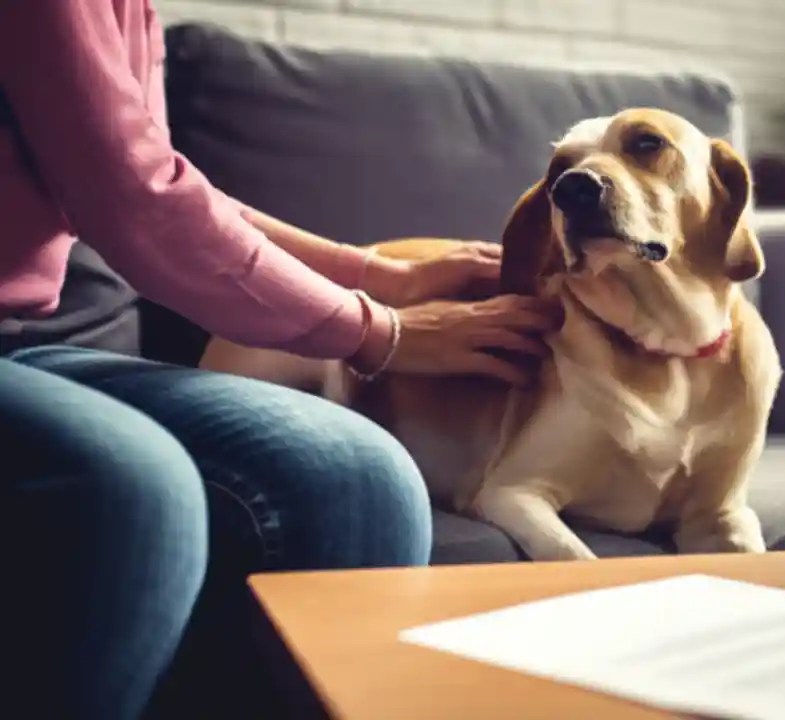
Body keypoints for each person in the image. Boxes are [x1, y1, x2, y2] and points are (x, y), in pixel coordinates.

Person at [0, 2, 562, 719]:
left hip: (47, 349)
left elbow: (159, 173)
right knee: (134, 486)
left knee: (359, 475)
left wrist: (379, 274)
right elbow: (130, 197)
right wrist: (378, 331)